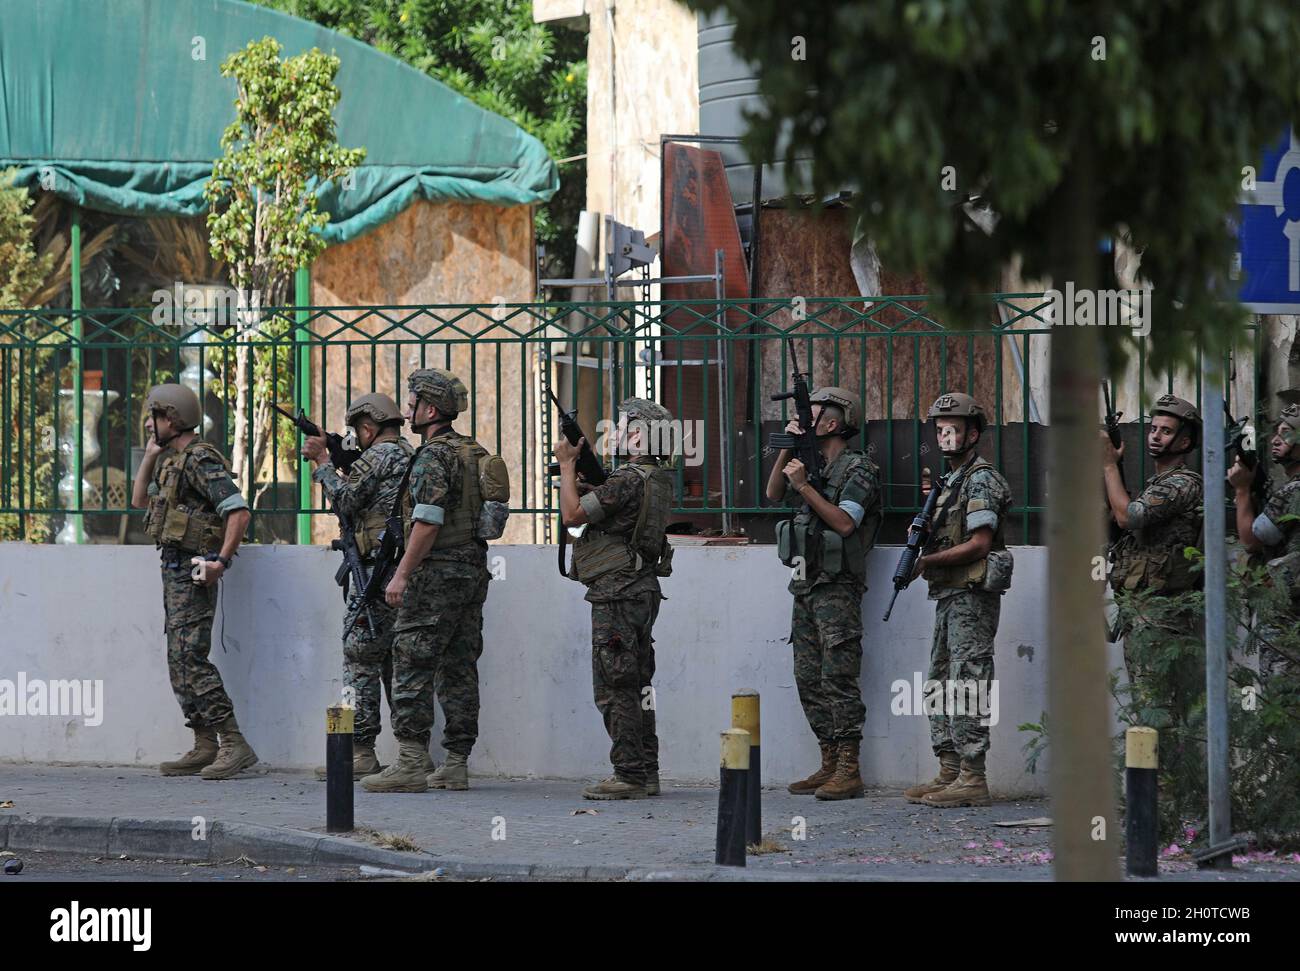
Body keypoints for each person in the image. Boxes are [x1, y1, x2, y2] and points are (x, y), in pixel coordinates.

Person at [363, 370, 490, 793]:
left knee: (411, 661)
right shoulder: (474, 451)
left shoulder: (434, 456)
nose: (406, 409)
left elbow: (427, 521)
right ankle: (455, 763)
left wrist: (402, 573)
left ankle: (412, 762)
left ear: (430, 409)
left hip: (435, 573)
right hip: (472, 570)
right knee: (459, 665)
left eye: (412, 401)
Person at [130, 383, 255, 780]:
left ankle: (234, 742)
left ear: (173, 418)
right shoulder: (171, 461)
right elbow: (138, 501)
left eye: (155, 418)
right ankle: (205, 743)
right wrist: (150, 455)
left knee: (192, 660)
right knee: (179, 660)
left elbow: (238, 512)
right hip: (173, 570)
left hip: (193, 570)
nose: (150, 425)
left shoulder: (200, 459)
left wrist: (221, 560)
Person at [554, 398, 676, 800]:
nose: (616, 431)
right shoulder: (655, 477)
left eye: (624, 425)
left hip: (618, 591)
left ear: (641, 434)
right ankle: (647, 770)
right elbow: (619, 514)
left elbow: (572, 516)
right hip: (642, 588)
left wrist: (568, 466)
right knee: (639, 683)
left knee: (614, 686)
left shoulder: (626, 479)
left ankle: (628, 775)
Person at [763, 387, 881, 800]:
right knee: (807, 676)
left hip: (838, 586)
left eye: (813, 414)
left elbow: (845, 525)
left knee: (838, 677)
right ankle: (828, 760)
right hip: (806, 582)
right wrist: (788, 451)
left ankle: (849, 768)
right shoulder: (809, 464)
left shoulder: (858, 469)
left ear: (833, 423)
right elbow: (773, 493)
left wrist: (806, 488)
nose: (806, 417)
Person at [903, 392, 1012, 809]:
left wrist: (925, 561)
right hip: (950, 594)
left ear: (973, 434)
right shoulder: (951, 482)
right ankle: (950, 769)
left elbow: (979, 544)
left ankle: (973, 776)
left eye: (953, 428)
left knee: (968, 681)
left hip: (971, 594)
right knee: (938, 680)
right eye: (939, 427)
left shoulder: (980, 479)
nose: (945, 435)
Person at [303, 393, 414, 780]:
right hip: (400, 568)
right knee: (394, 662)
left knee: (359, 658)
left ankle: (361, 751)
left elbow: (347, 501)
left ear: (368, 428)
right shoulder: (408, 453)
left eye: (357, 432)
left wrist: (322, 463)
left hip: (374, 571)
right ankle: (412, 753)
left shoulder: (379, 456)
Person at [1101, 394, 1204, 676]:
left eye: (1166, 431)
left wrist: (1110, 466)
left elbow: (1128, 517)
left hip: (1163, 613)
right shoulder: (1155, 485)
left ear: (1184, 442)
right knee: (1145, 704)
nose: (1156, 436)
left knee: (1160, 704)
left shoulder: (1182, 484)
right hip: (1141, 608)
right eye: (1154, 429)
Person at [1230, 402, 1300, 679]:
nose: (1275, 440)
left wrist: (1243, 490)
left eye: (1287, 433)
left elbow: (1252, 539)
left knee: (1281, 700)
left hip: (1287, 614)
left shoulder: (1293, 491)